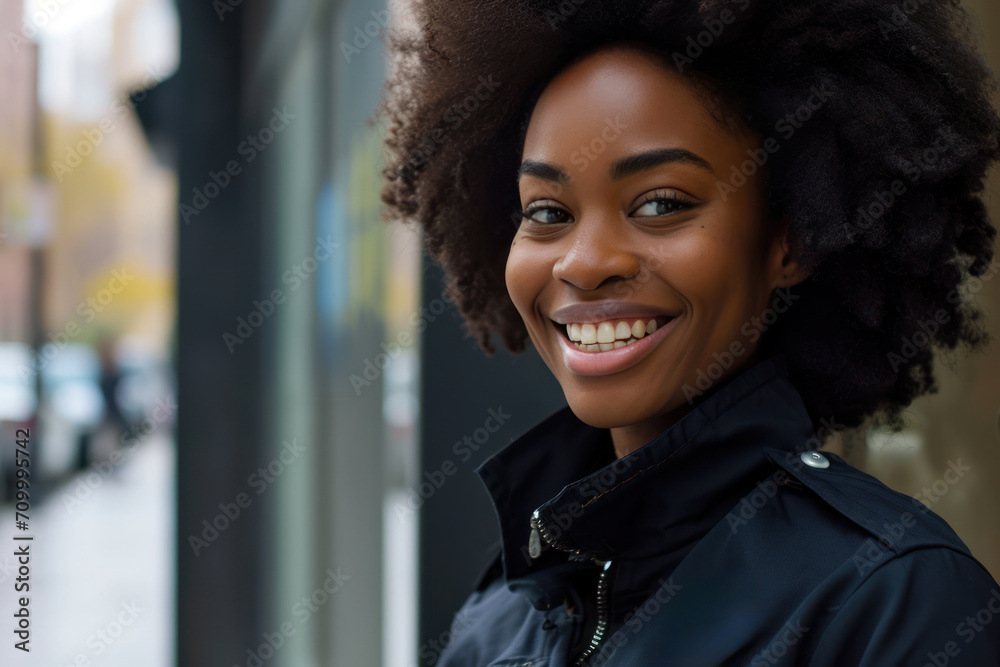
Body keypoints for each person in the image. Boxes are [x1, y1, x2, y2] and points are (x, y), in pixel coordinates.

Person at [377, 1, 1000, 664]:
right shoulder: (494, 621)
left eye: (661, 203)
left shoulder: (897, 601)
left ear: (790, 241)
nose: (584, 262)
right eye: (548, 211)